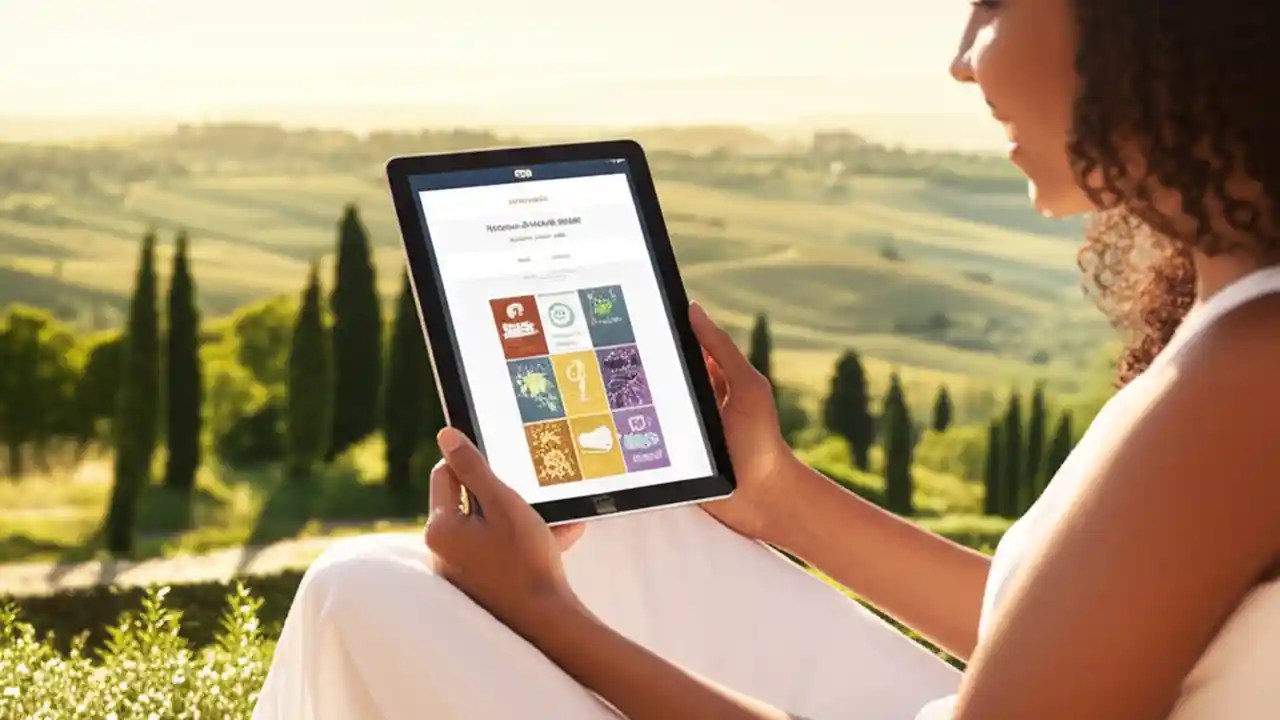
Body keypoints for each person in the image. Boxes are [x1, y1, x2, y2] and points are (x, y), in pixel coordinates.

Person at [254, 0, 1280, 717]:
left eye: (993, 3)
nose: (963, 59)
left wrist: (541, 615)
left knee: (360, 590)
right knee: (628, 524)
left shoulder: (1241, 378)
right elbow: (1086, 641)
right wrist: (778, 496)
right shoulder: (1239, 333)